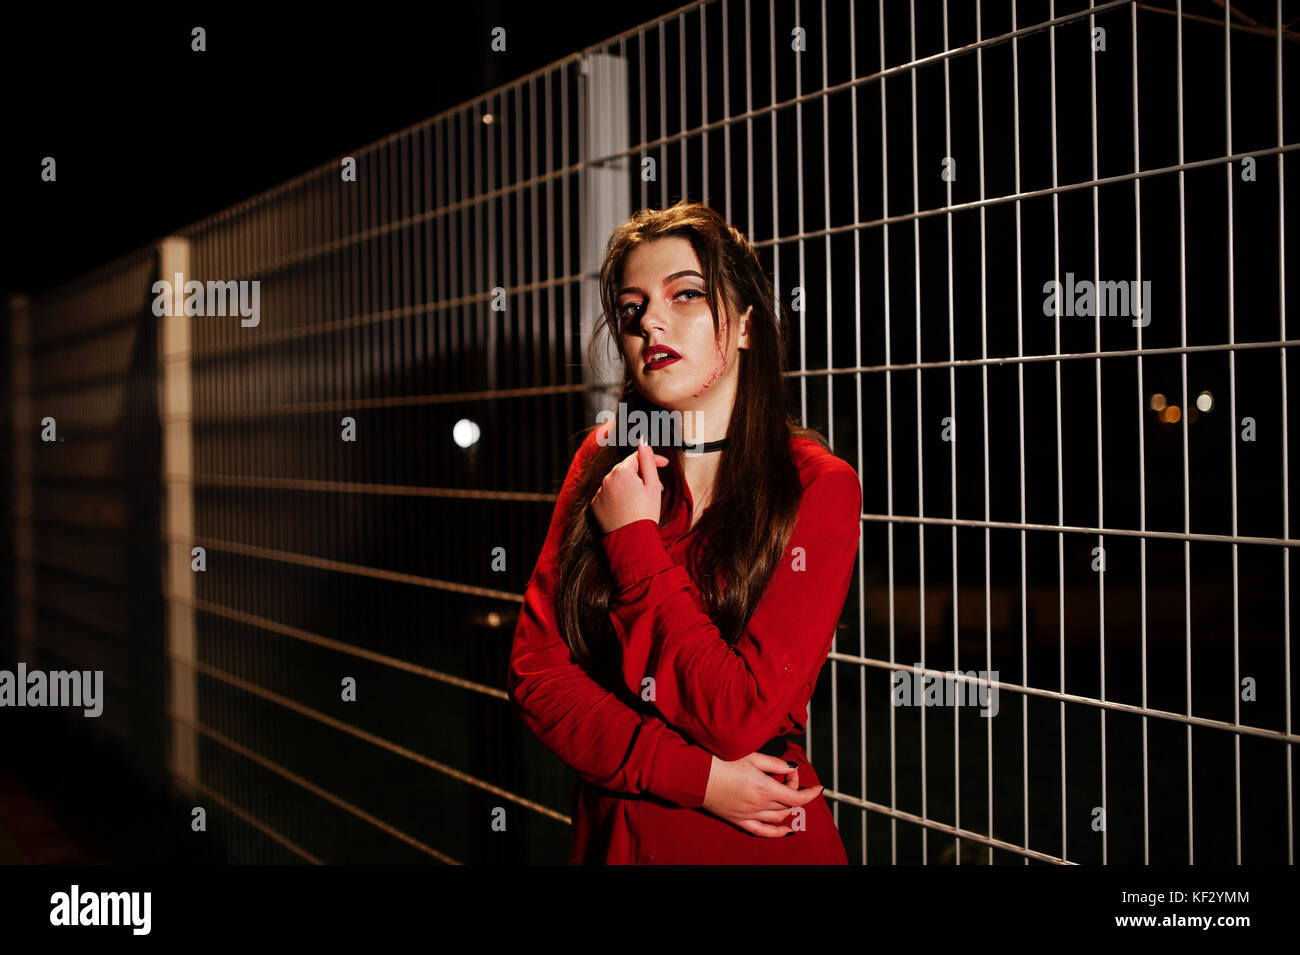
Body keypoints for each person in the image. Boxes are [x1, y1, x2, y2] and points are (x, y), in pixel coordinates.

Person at [507, 200, 861, 864]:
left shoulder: (817, 484)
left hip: (748, 843)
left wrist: (633, 541)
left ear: (748, 325)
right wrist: (700, 779)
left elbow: (740, 713)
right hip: (614, 838)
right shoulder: (603, 459)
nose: (651, 323)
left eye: (686, 294)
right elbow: (537, 675)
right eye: (633, 307)